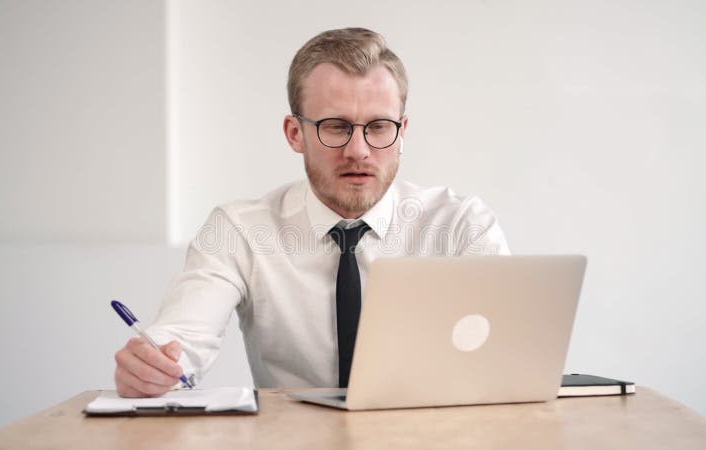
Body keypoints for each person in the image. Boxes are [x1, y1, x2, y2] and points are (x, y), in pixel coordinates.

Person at [114, 27, 510, 397]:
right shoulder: (239, 231)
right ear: (294, 133)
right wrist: (153, 369)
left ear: (401, 131)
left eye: (378, 126)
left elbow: (509, 358)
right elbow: (180, 340)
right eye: (336, 126)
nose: (359, 149)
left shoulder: (461, 226)